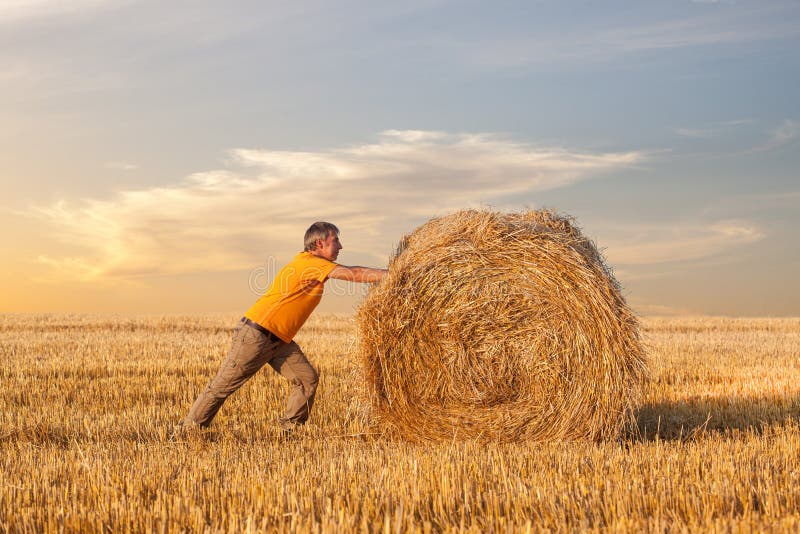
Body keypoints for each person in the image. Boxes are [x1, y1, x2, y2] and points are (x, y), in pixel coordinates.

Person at [177, 221, 387, 437]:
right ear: (319, 243)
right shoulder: (310, 263)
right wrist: (393, 273)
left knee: (307, 378)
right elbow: (354, 273)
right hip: (257, 335)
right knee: (222, 386)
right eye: (336, 241)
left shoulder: (311, 264)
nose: (341, 246)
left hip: (279, 341)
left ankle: (289, 431)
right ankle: (187, 432)